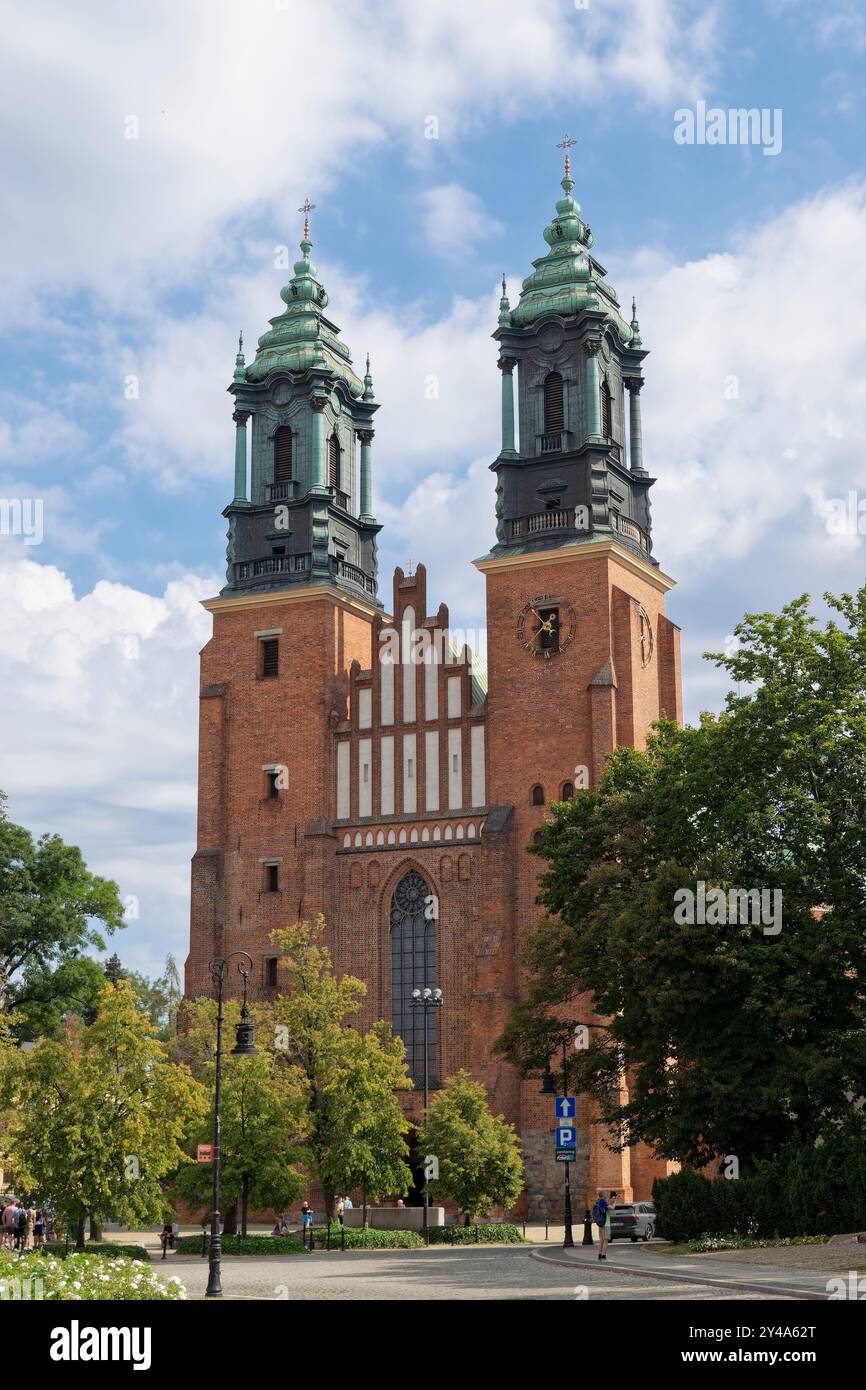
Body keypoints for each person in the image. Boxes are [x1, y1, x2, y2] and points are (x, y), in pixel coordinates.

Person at [592, 1189, 610, 1260]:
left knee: (601, 1239)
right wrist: (615, 1201)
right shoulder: (603, 1202)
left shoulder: (597, 1202)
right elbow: (611, 1208)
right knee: (606, 1240)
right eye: (606, 1193)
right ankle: (603, 1255)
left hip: (599, 1222)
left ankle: (599, 1254)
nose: (607, 1194)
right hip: (605, 1222)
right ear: (603, 1195)